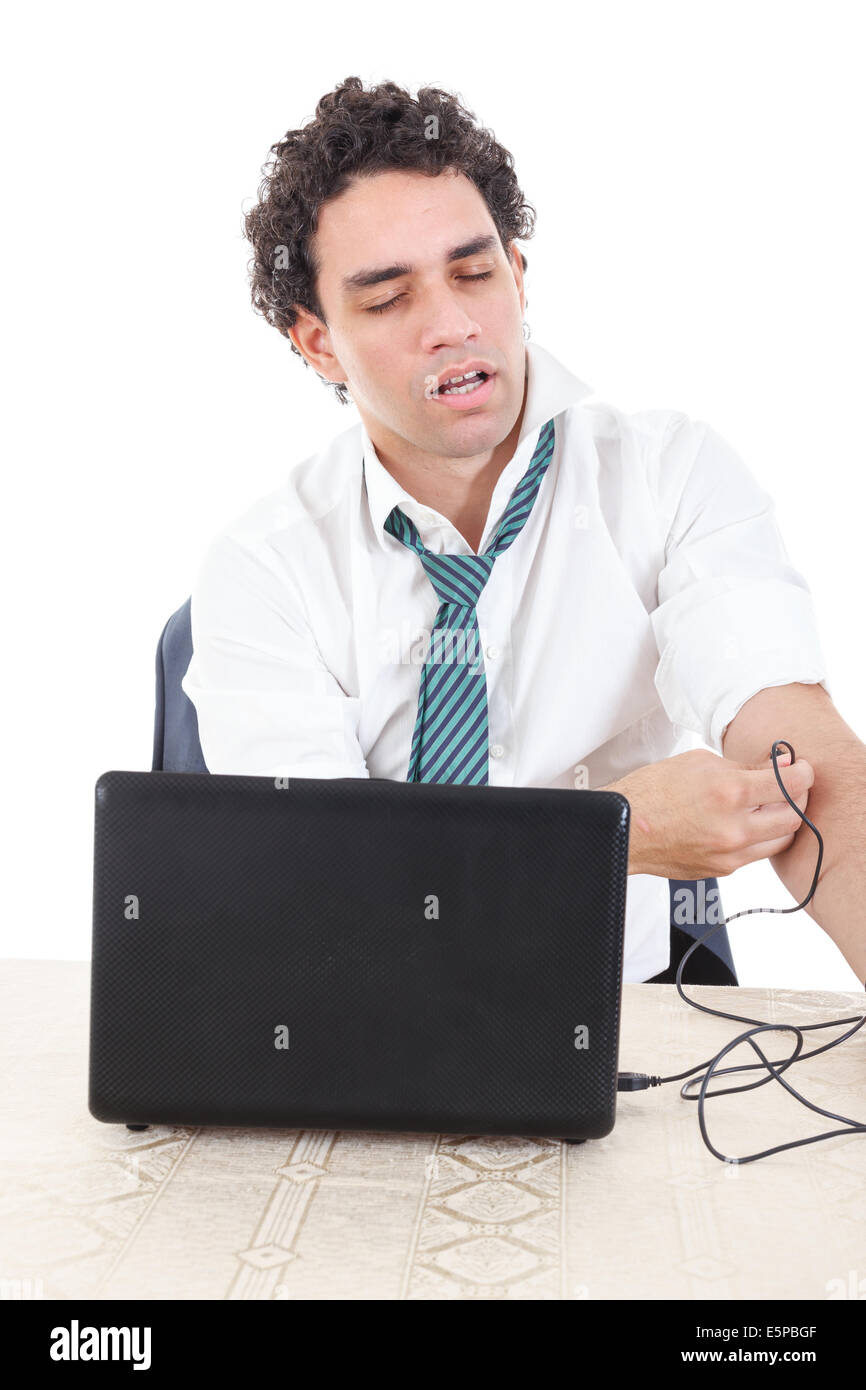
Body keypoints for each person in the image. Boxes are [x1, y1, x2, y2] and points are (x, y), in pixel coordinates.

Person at [181, 76, 866, 986]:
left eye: (474, 273)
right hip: (362, 1002)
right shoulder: (264, 568)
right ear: (317, 341)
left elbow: (810, 767)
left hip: (625, 1008)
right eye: (388, 301)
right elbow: (324, 884)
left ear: (518, 270)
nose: (454, 325)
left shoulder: (668, 475)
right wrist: (616, 835)